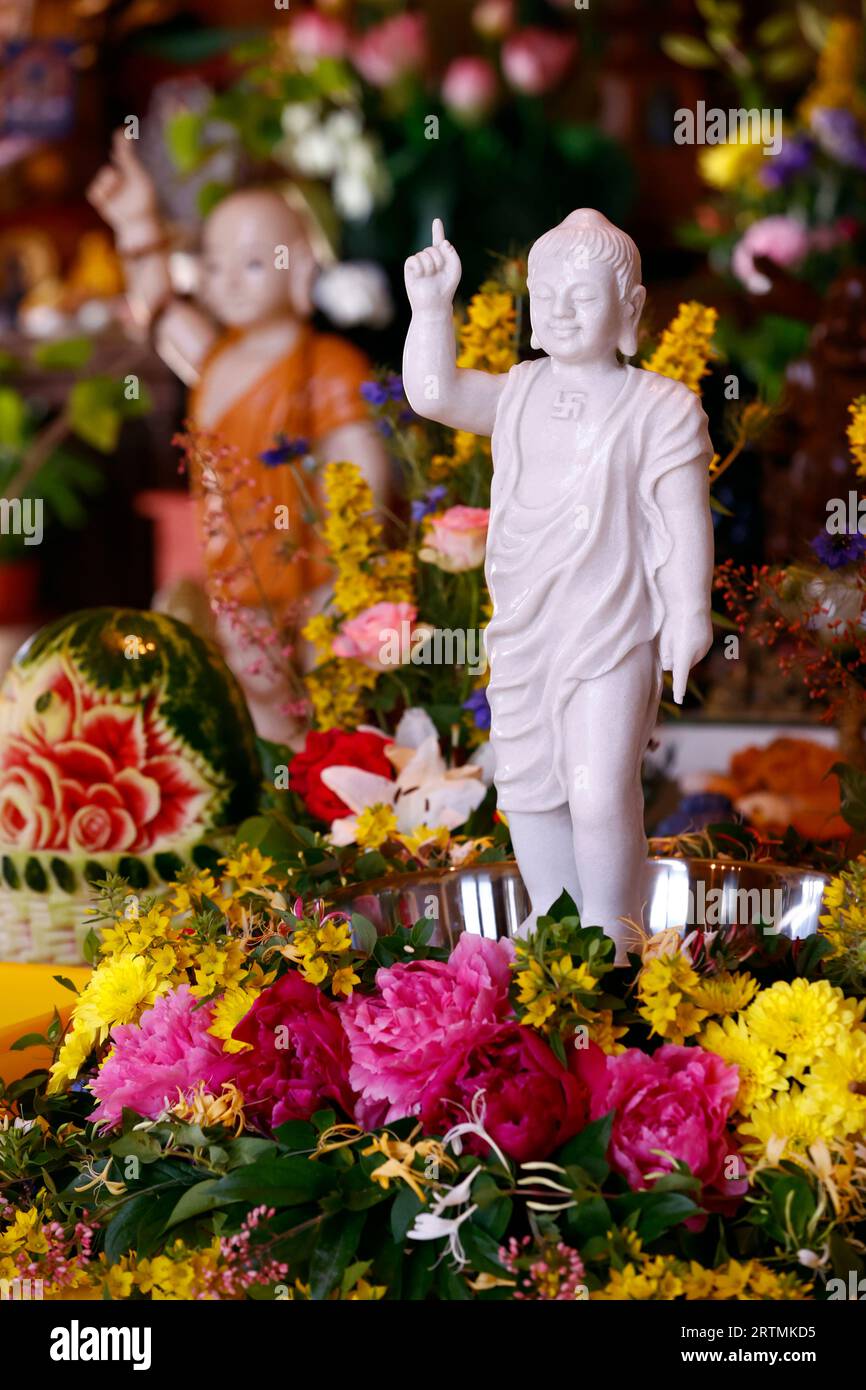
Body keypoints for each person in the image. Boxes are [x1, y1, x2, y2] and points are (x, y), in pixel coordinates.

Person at [403, 210, 714, 959]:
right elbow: (434, 394)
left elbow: (685, 515)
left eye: (584, 294)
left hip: (612, 624)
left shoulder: (661, 408)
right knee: (530, 789)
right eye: (547, 294)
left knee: (599, 787)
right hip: (526, 628)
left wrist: (690, 613)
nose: (563, 309)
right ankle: (555, 937)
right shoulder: (519, 391)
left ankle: (612, 944)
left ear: (631, 310)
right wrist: (432, 309)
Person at [88, 129, 389, 740]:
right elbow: (162, 313)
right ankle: (272, 807)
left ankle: (327, 810)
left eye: (255, 263)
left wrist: (347, 575)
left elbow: (364, 472)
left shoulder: (325, 363)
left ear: (301, 268)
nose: (228, 280)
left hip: (316, 579)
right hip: (236, 577)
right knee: (256, 699)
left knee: (331, 710)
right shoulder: (218, 359)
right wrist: (139, 225)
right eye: (216, 263)